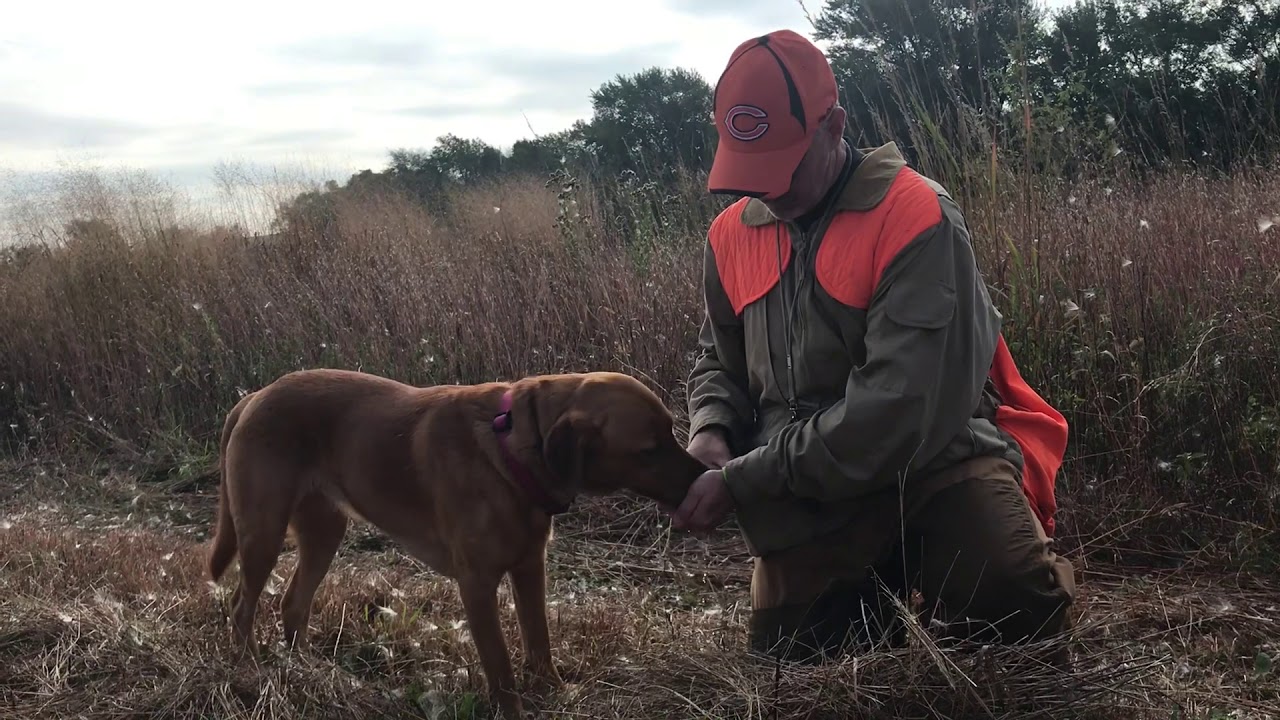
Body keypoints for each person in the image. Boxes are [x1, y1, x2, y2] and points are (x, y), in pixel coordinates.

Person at [670, 29, 1077, 664]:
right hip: (808, 483)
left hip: (931, 460)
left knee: (1015, 602)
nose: (769, 193)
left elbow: (895, 414)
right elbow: (718, 360)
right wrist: (711, 429)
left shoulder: (915, 214)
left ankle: (939, 553)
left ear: (835, 126)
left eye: (784, 166)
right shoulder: (730, 233)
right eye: (752, 173)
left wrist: (745, 478)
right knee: (798, 654)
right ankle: (874, 580)